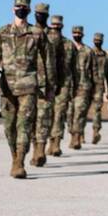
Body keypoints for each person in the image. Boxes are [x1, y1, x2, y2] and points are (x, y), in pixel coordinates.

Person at [0, 0, 51, 178]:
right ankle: (14, 156)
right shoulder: (2, 33)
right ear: (13, 9)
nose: (21, 9)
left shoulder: (37, 33)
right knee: (9, 127)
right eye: (18, 7)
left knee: (23, 125)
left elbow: (46, 60)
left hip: (29, 85)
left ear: (29, 11)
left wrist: (46, 84)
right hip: (7, 87)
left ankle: (19, 163)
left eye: (24, 7)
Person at [29, 2, 60, 165]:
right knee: (31, 119)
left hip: (46, 83)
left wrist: (55, 84)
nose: (40, 16)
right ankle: (35, 149)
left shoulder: (54, 37)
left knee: (44, 117)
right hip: (27, 82)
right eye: (37, 13)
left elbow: (61, 62)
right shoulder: (28, 32)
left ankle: (40, 149)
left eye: (43, 14)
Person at [47, 15, 75, 156]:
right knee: (46, 115)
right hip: (45, 84)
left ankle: (56, 143)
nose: (56, 27)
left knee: (59, 114)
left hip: (63, 83)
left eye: (58, 25)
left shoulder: (69, 45)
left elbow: (74, 68)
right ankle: (43, 144)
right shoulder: (43, 40)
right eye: (54, 25)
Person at [67, 24, 96, 149]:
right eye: (75, 33)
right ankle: (72, 133)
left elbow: (94, 71)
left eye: (79, 33)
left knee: (79, 113)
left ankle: (76, 137)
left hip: (83, 86)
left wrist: (95, 88)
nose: (77, 35)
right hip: (68, 86)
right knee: (69, 114)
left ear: (83, 35)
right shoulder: (67, 48)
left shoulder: (88, 51)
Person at [87, 32, 108, 144]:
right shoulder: (88, 53)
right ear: (93, 40)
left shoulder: (107, 57)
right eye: (96, 40)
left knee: (97, 110)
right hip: (86, 85)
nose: (97, 42)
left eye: (99, 40)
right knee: (82, 110)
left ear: (102, 41)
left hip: (99, 86)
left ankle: (96, 132)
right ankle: (79, 134)